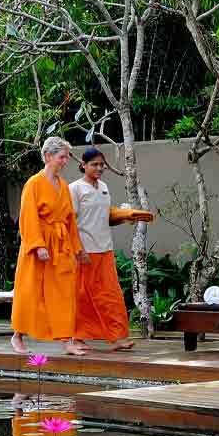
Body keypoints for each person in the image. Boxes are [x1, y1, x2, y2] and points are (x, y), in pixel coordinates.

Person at [70, 147, 155, 350]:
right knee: (82, 296)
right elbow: (70, 221)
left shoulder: (104, 187)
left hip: (105, 249)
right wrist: (78, 249)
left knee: (111, 295)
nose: (100, 168)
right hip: (84, 251)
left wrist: (127, 215)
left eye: (102, 164)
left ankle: (117, 337)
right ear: (83, 165)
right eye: (94, 164)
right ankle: (77, 337)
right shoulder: (74, 189)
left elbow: (105, 217)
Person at [11, 137, 88, 356]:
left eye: (66, 157)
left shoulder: (63, 186)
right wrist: (37, 245)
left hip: (61, 246)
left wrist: (77, 249)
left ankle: (67, 341)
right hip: (39, 245)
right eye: (61, 157)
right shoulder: (34, 183)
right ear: (48, 157)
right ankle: (18, 335)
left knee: (65, 292)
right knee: (30, 291)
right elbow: (27, 216)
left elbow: (69, 221)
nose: (65, 161)